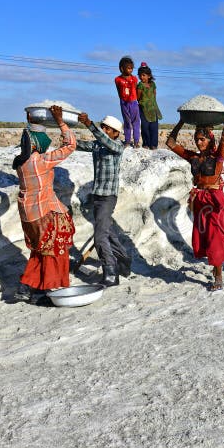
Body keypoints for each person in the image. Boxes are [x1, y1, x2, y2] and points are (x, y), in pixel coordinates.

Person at [12, 105, 76, 303]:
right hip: (44, 211)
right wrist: (60, 121)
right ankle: (49, 288)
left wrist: (31, 119)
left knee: (40, 250)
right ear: (37, 145)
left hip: (28, 214)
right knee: (55, 250)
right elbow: (70, 145)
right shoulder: (40, 160)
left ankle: (29, 287)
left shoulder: (20, 161)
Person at [166, 114, 224, 291]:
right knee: (204, 236)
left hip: (216, 201)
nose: (199, 142)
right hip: (201, 201)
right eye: (197, 139)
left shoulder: (217, 158)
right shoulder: (193, 158)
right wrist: (180, 122)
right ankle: (215, 268)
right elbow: (171, 143)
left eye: (202, 139)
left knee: (216, 238)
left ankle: (218, 276)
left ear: (210, 140)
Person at [76, 113, 130, 287]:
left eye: (108, 129)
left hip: (108, 197)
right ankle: (124, 261)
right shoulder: (99, 146)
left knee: (100, 236)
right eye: (103, 127)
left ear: (116, 133)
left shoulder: (117, 146)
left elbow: (103, 139)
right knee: (107, 232)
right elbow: (80, 145)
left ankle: (111, 272)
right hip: (98, 195)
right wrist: (66, 135)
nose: (104, 131)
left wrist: (90, 125)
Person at [137, 62, 163, 150]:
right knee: (145, 126)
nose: (141, 77)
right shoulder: (140, 85)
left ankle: (153, 145)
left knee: (154, 127)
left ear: (149, 76)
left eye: (143, 75)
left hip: (153, 109)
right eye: (140, 75)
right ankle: (146, 143)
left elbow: (154, 95)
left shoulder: (153, 85)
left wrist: (152, 104)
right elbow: (138, 97)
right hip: (143, 109)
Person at [115, 55, 140, 148]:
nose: (130, 70)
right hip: (124, 102)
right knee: (127, 122)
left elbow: (136, 89)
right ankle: (127, 141)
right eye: (128, 68)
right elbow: (118, 90)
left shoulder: (134, 79)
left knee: (136, 122)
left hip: (133, 102)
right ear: (122, 68)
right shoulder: (117, 79)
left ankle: (136, 141)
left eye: (131, 68)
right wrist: (122, 100)